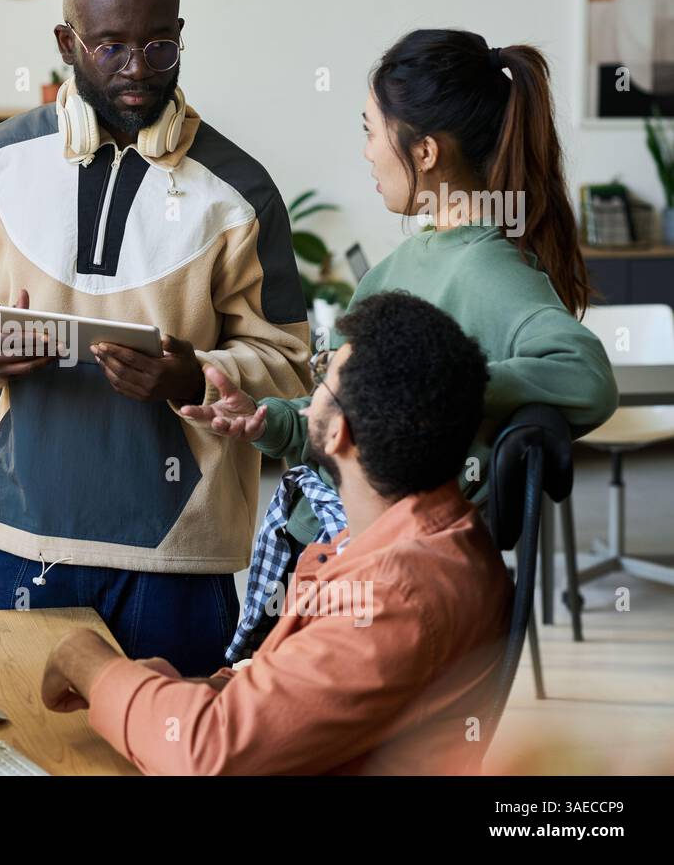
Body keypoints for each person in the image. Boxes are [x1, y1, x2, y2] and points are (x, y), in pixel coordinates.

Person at [0, 0, 309, 677]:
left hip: (178, 567)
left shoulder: (239, 191)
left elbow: (289, 368)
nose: (139, 68)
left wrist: (192, 378)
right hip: (16, 542)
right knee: (4, 751)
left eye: (160, 45)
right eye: (112, 47)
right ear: (67, 43)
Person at [179, 29, 619, 661]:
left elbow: (588, 376)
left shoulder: (485, 271)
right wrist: (267, 422)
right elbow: (345, 423)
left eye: (369, 131)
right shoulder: (399, 268)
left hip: (371, 579)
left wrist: (437, 380)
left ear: (427, 152)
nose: (365, 153)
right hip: (319, 556)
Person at [41, 292, 511, 775]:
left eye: (324, 379)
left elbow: (207, 752)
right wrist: (194, 692)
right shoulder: (415, 542)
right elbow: (294, 699)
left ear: (339, 433)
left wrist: (87, 660)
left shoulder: (393, 597)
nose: (310, 398)